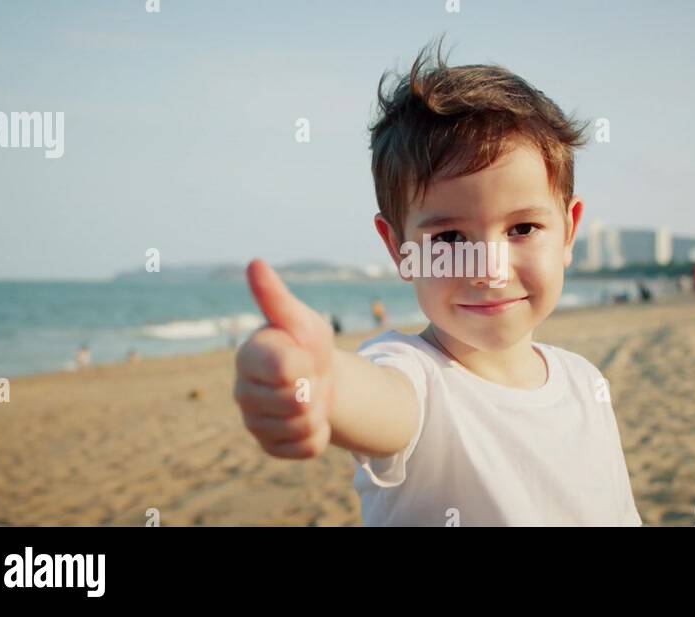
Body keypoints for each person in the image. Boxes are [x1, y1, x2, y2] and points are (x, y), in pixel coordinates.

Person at [232, 40, 641, 527]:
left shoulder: (587, 382)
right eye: (449, 237)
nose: (489, 269)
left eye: (522, 229)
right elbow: (381, 402)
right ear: (398, 248)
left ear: (570, 230)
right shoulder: (417, 378)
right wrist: (322, 382)